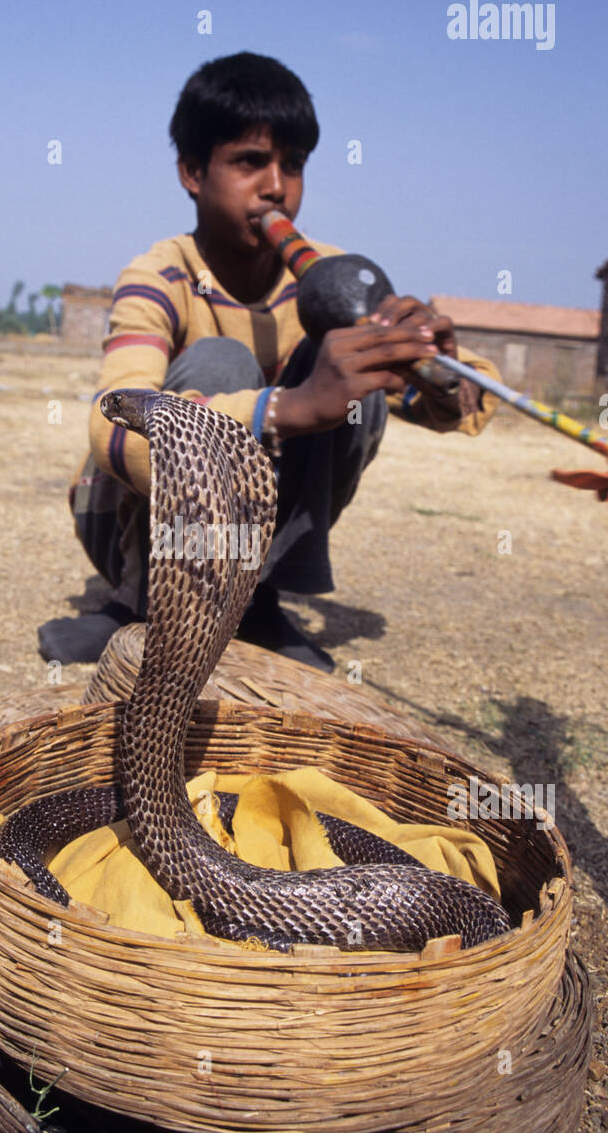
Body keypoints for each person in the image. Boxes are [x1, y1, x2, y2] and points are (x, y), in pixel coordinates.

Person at [41, 52, 499, 673]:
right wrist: (292, 405)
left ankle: (254, 601)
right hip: (127, 527)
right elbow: (111, 423)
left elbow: (467, 401)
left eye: (294, 166)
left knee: (350, 365)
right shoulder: (159, 276)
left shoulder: (331, 279)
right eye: (250, 162)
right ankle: (141, 602)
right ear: (192, 172)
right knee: (221, 362)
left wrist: (434, 369)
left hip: (249, 537)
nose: (277, 187)